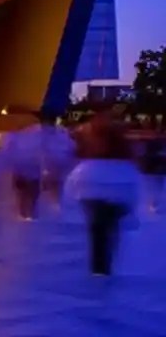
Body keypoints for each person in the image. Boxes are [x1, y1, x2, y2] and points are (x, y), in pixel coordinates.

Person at [67, 112, 139, 276]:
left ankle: (99, 268)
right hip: (117, 191)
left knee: (98, 230)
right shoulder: (122, 153)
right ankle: (105, 266)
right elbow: (133, 180)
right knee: (109, 229)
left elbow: (75, 180)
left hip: (93, 190)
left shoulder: (91, 150)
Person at [140, 134, 166, 213]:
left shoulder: (151, 147)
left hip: (153, 171)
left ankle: (153, 204)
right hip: (155, 171)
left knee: (153, 188)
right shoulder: (159, 148)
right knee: (155, 188)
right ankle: (153, 204)